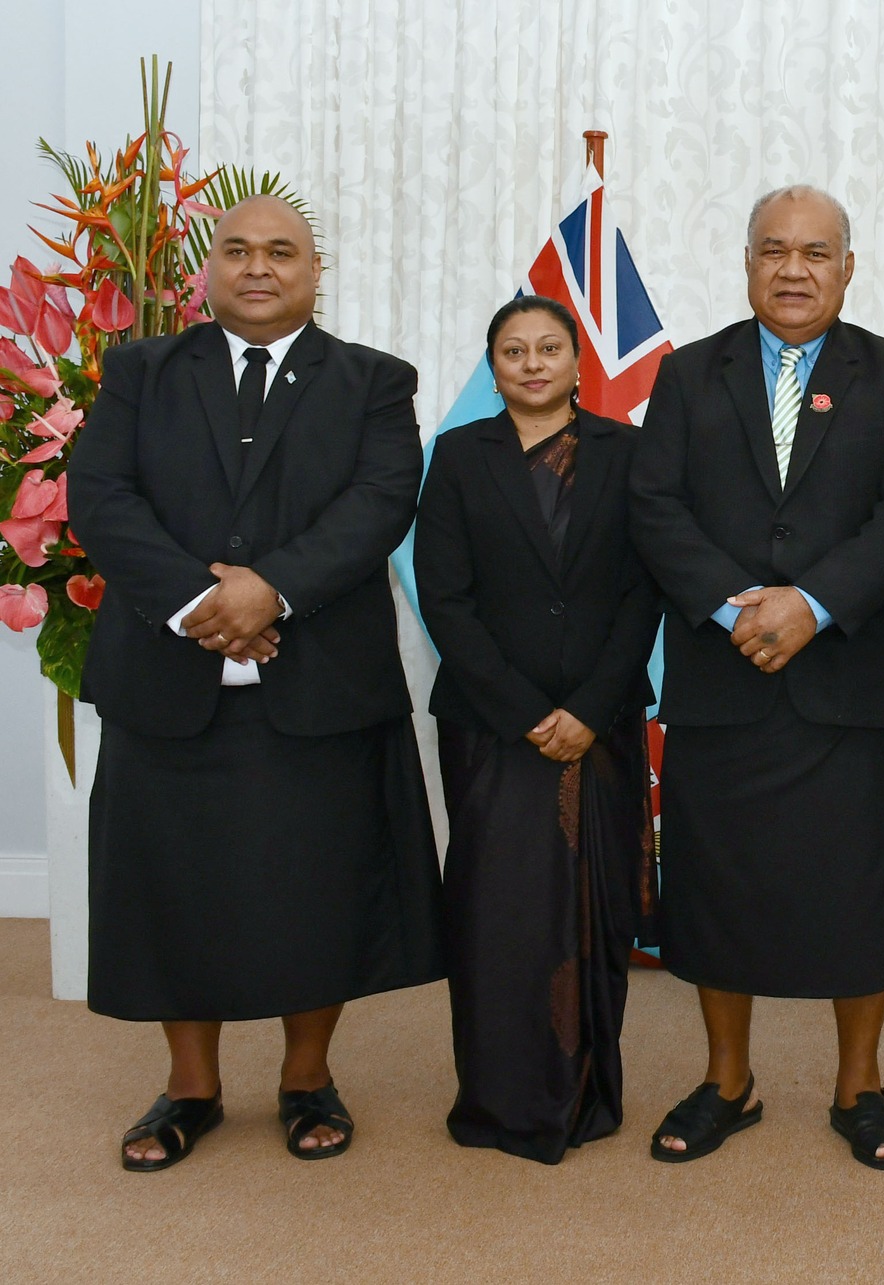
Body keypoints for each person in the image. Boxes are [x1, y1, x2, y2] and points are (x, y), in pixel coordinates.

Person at [67, 195, 443, 1171]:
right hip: (167, 675)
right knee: (170, 893)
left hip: (319, 684)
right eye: (237, 250)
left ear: (318, 269)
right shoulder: (141, 373)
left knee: (316, 894)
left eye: (282, 251)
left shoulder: (371, 381)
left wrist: (272, 590)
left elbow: (379, 502)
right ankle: (190, 1087)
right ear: (211, 270)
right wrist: (200, 602)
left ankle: (305, 1077)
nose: (258, 266)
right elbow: (101, 495)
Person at [629, 185, 884, 1170]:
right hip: (723, 674)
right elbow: (653, 507)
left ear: (848, 267)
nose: (794, 268)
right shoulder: (687, 374)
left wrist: (808, 604)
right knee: (722, 889)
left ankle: (861, 1082)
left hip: (848, 674)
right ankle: (728, 1078)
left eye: (816, 251)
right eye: (775, 250)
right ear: (748, 261)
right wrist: (735, 605)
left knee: (859, 893)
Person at [413, 295, 661, 1164]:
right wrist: (525, 711)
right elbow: (444, 596)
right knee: (500, 915)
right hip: (492, 727)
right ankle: (499, 1100)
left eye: (548, 346)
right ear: (494, 366)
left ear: (575, 361)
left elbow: (644, 591)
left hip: (603, 723)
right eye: (512, 350)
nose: (531, 362)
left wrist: (589, 709)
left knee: (595, 913)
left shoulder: (629, 453)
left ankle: (587, 1093)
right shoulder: (455, 457)